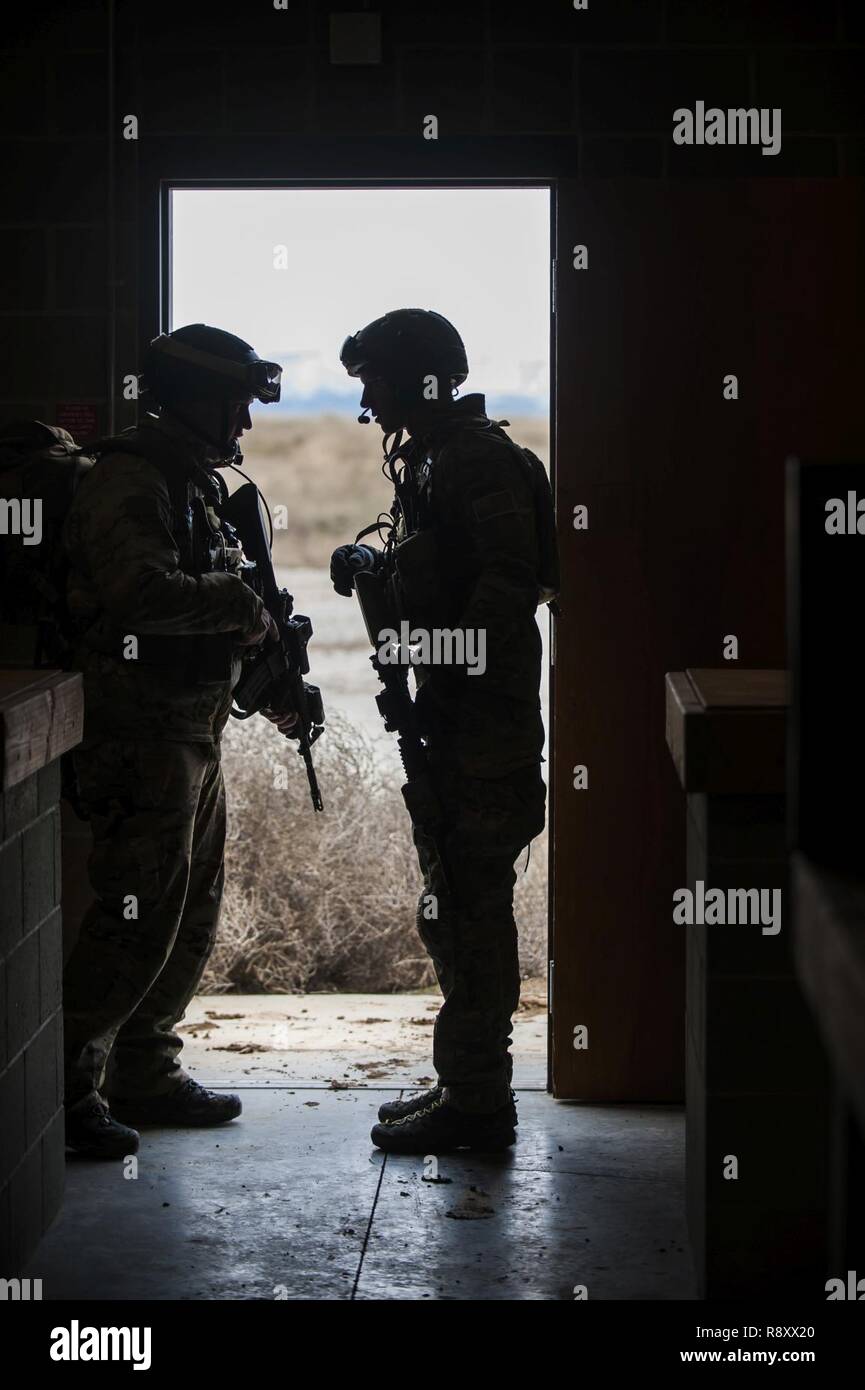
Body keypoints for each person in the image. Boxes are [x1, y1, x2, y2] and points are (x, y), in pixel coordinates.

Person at [62, 324, 296, 1160]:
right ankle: (64, 1090)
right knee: (136, 914)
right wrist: (236, 604)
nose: (243, 419)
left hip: (191, 727)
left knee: (186, 911)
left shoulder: (191, 482)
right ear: (191, 400)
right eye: (232, 400)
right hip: (142, 732)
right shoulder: (131, 476)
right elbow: (137, 592)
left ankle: (146, 1070)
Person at [331, 308, 557, 1153]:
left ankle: (477, 1105)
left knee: (468, 907)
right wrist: (376, 572)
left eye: (374, 379)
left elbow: (509, 583)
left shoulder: (474, 460)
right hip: (455, 717)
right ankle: (467, 1079)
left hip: (479, 725)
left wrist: (439, 664)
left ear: (420, 376)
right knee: (451, 905)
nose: (367, 397)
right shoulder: (433, 459)